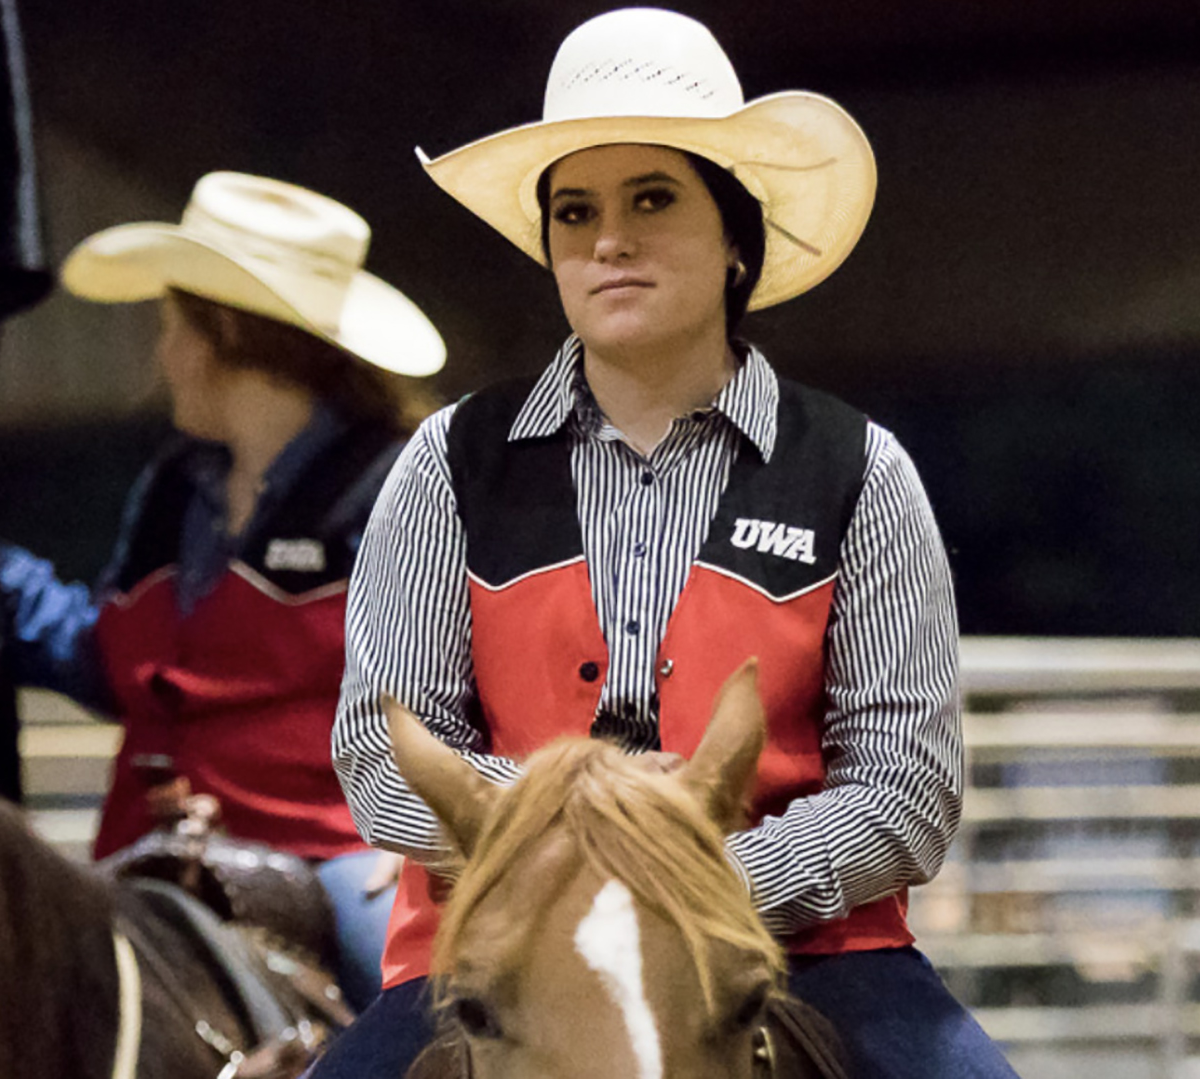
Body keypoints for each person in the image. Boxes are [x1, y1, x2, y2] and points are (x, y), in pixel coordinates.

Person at [320, 9, 1017, 1078]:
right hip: (499, 964)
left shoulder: (860, 472)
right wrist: (573, 873)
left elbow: (906, 786)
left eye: (653, 198)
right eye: (575, 211)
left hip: (798, 948)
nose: (610, 239)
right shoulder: (447, 464)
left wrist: (703, 882)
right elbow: (381, 749)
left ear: (736, 235)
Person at [0, 172, 445, 1013]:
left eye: (171, 329)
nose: (161, 357)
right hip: (152, 844)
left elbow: (469, 665)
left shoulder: (397, 483)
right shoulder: (172, 488)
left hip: (338, 847)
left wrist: (442, 815)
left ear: (225, 331)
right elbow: (105, 661)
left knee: (422, 1000)